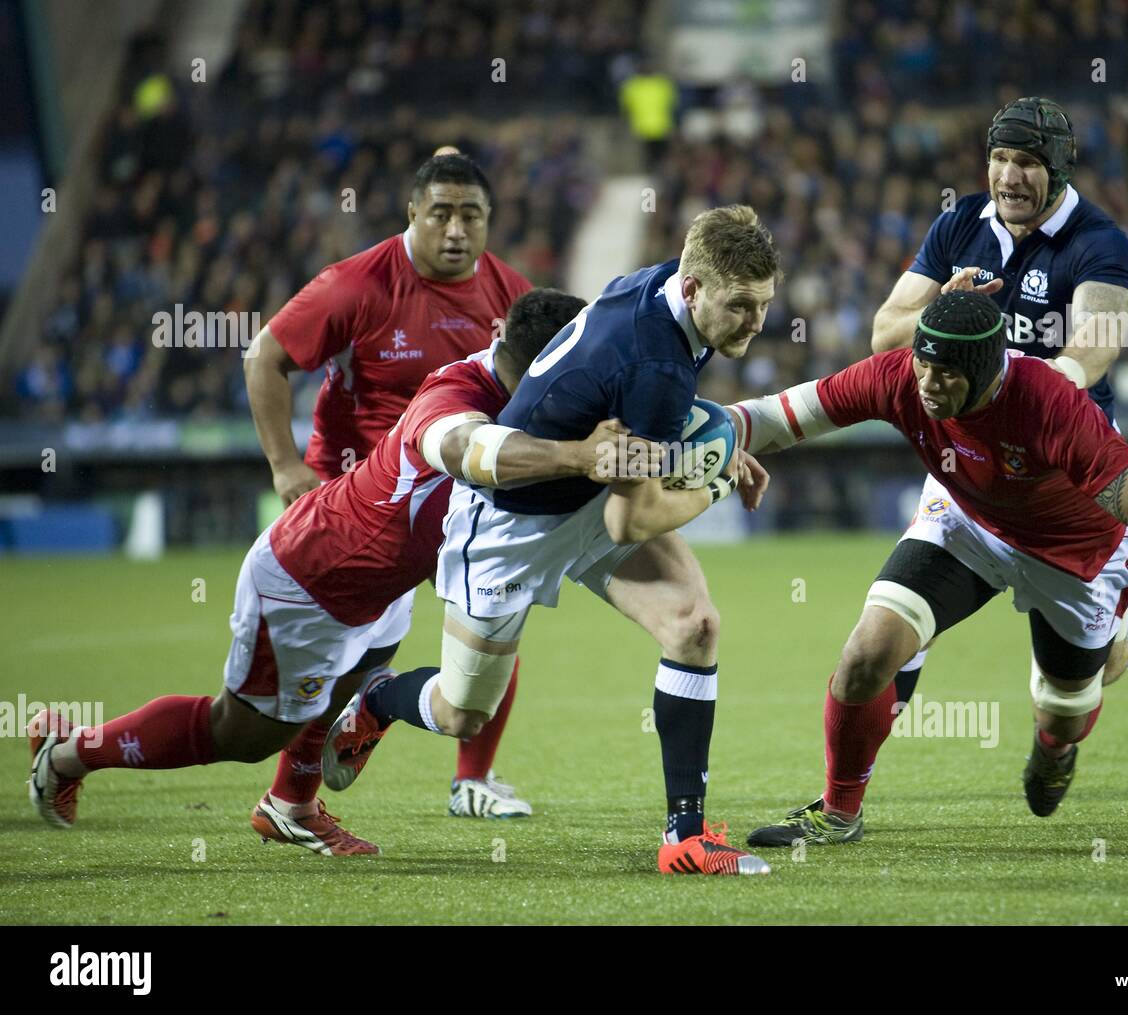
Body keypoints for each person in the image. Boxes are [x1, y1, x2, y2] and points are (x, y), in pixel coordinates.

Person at [28, 290, 619, 856]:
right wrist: (578, 457)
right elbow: (464, 446)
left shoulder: (525, 399)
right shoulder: (455, 399)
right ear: (548, 364)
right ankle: (69, 753)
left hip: (381, 589)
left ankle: (292, 806)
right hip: (310, 578)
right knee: (242, 735)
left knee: (338, 691)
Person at [330, 205, 779, 875]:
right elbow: (635, 518)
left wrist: (704, 443)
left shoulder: (668, 287)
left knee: (693, 626)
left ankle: (685, 833)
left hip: (592, 486)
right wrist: (712, 478)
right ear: (693, 290)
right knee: (462, 714)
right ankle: (377, 700)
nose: (757, 322)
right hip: (512, 524)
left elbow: (635, 421)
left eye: (766, 305)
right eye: (742, 306)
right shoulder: (658, 363)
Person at [733, 291, 1128, 846]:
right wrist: (708, 434)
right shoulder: (901, 376)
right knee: (866, 657)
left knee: (1062, 713)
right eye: (923, 363)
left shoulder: (1049, 406)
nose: (927, 384)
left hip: (1072, 556)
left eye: (944, 375)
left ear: (986, 373)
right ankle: (839, 811)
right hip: (965, 521)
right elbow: (782, 414)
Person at [858, 96, 1128, 810]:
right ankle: (841, 802)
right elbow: (883, 333)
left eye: (1026, 162)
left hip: (1062, 491)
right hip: (965, 478)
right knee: (878, 642)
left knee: (1069, 694)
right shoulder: (959, 224)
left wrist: (1052, 385)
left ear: (1055, 170)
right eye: (999, 158)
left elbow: (1098, 338)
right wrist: (942, 309)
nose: (1009, 176)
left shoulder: (1098, 241)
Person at [243, 151, 536, 822]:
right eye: (441, 214)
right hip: (359, 502)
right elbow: (265, 356)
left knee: (498, 606)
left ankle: (470, 779)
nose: (456, 230)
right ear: (413, 214)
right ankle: (299, 785)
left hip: (453, 497)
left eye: (472, 215)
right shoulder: (357, 285)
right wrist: (288, 468)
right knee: (337, 660)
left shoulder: (512, 297)